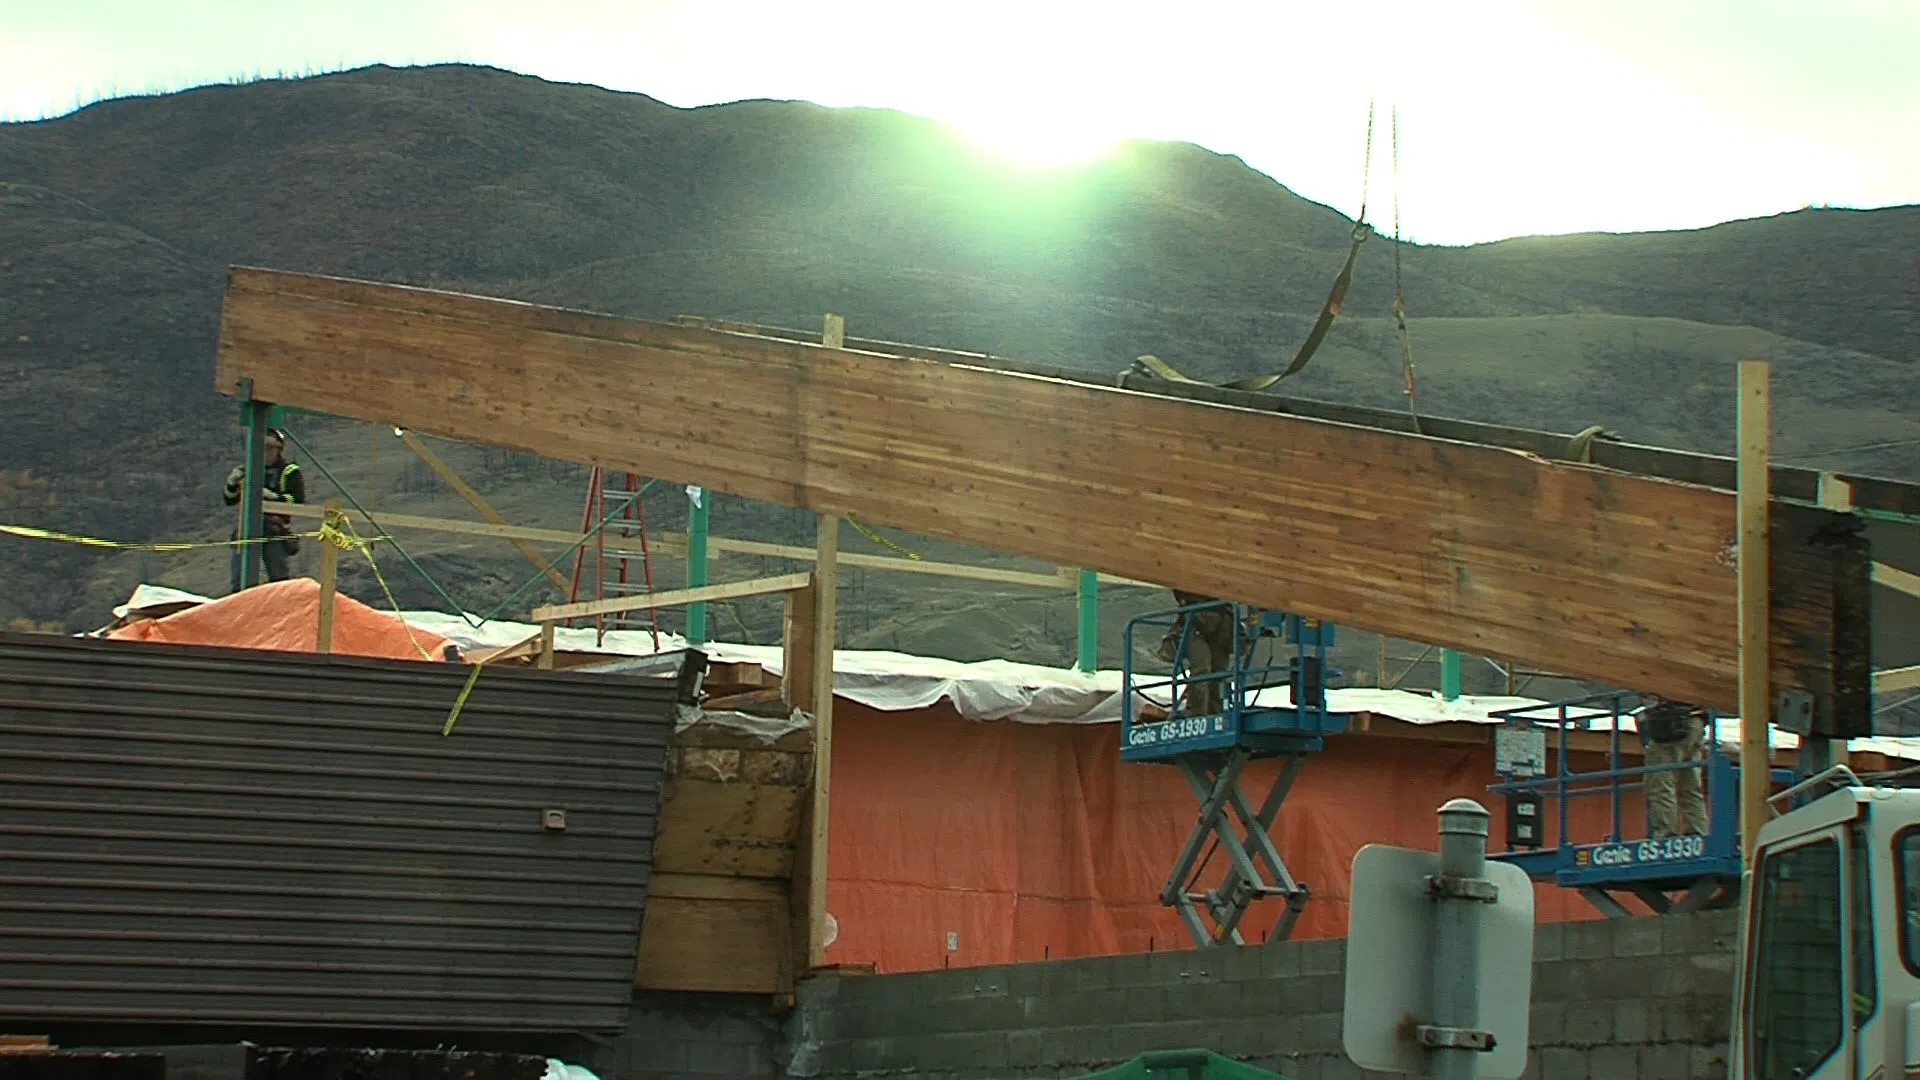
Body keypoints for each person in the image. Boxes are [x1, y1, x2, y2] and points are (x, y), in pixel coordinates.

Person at [223, 428, 305, 593]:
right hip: (246, 528)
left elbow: (296, 500)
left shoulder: (289, 471)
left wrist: (272, 497)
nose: (265, 453)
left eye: (269, 448)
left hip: (274, 529)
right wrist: (232, 483)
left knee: (278, 578)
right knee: (239, 579)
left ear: (278, 448)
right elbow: (230, 499)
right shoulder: (247, 470)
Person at [1158, 589, 1237, 717]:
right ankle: (1197, 714)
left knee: (1217, 673)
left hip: (1220, 622)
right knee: (1202, 670)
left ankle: (1214, 713)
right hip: (1196, 621)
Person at [1642, 696, 1709, 838]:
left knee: (1660, 783)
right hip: (1695, 719)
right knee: (1690, 784)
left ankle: (1667, 835)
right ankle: (1698, 832)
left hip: (1671, 721)